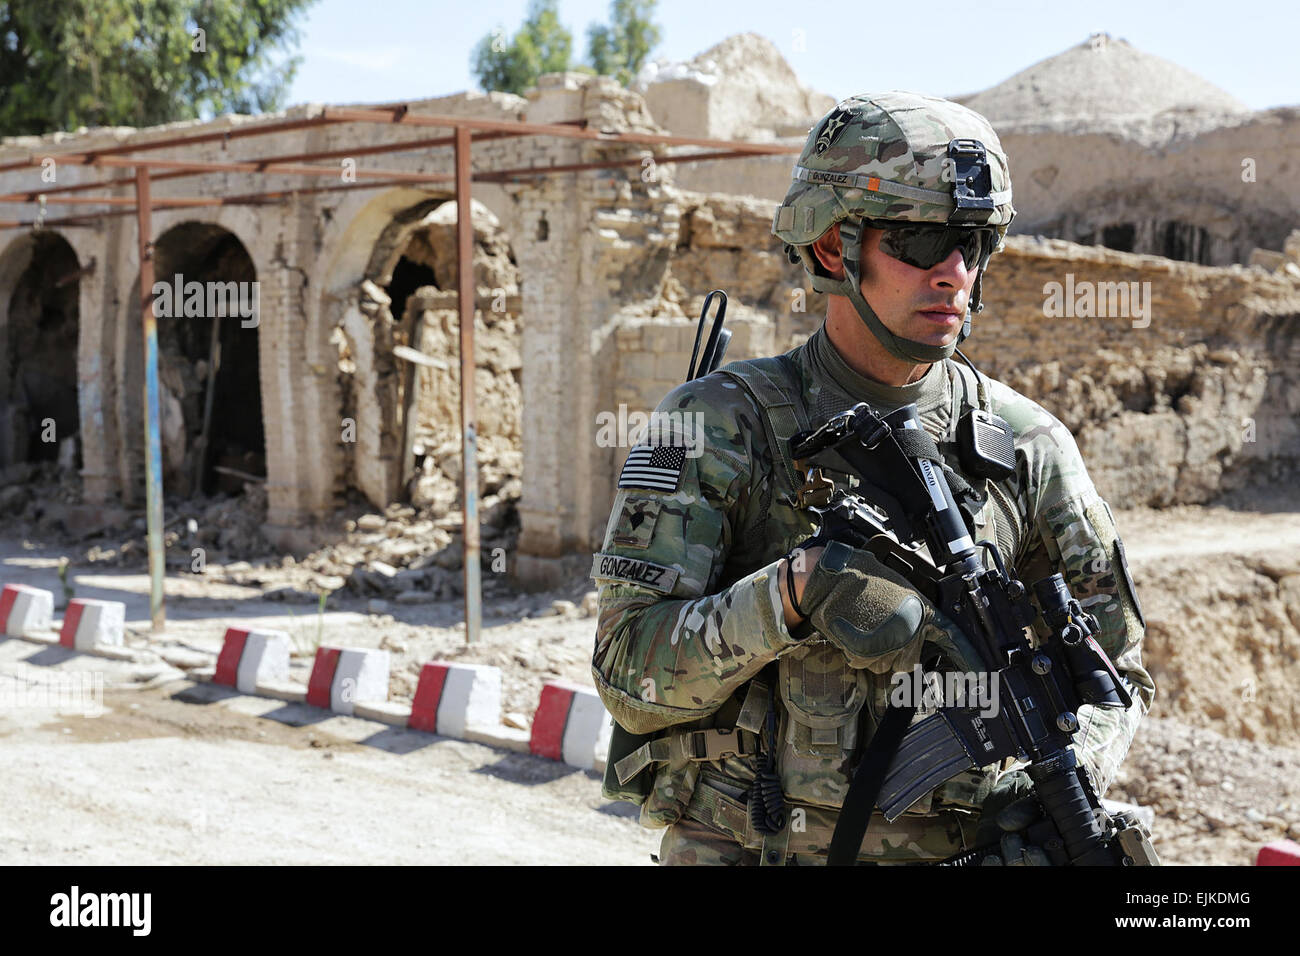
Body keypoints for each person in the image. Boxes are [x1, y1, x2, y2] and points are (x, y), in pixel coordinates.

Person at [590, 91, 1155, 866]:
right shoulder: (718, 425)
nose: (955, 273)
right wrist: (791, 593)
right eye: (921, 242)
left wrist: (1065, 777)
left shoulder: (1027, 445)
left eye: (974, 242)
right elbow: (628, 674)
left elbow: (1115, 669)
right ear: (831, 248)